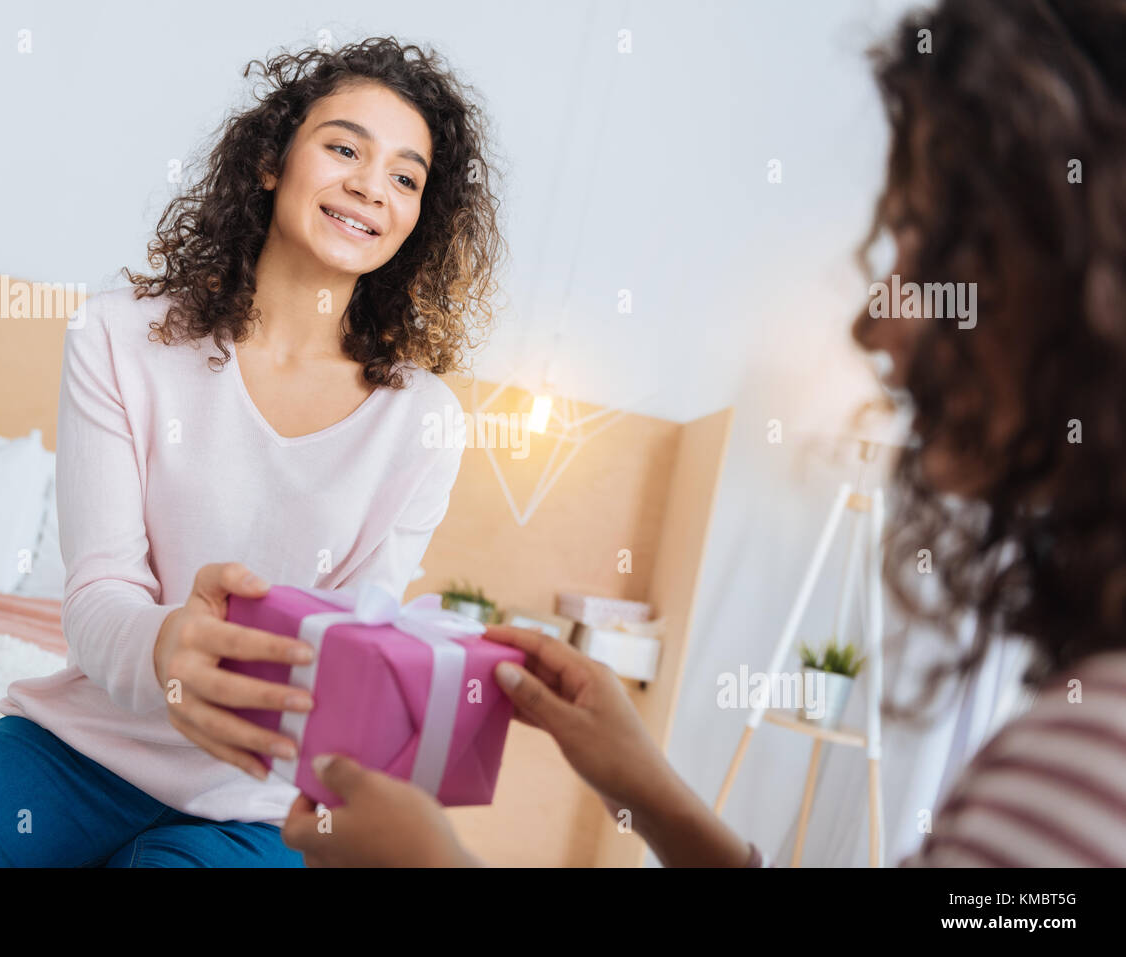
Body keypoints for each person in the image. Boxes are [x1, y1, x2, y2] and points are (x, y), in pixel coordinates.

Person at [281, 0, 1126, 867]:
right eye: (343, 148)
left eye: (926, 252)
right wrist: (648, 791)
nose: (875, 327)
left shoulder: (1089, 763)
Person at [0, 36, 505, 867]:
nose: (372, 184)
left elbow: (355, 644)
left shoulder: (422, 421)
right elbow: (100, 590)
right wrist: (167, 645)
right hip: (77, 753)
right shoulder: (119, 336)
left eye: (406, 175)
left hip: (256, 805)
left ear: (416, 219)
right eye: (343, 147)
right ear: (271, 160)